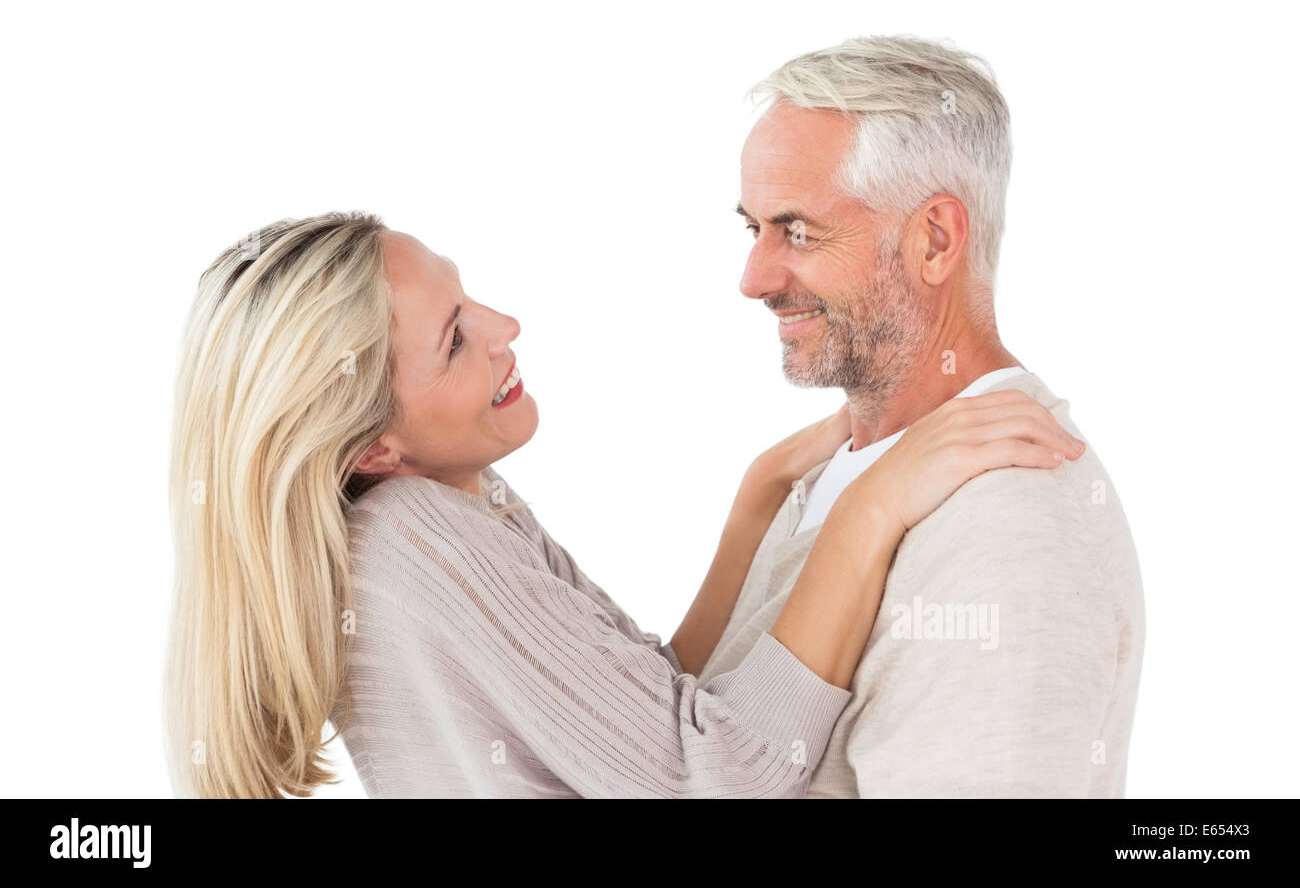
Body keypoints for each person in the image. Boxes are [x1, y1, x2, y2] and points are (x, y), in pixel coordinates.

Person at [163, 212, 1083, 798]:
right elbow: (719, 779)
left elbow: (652, 710)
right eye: (454, 342)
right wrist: (870, 510)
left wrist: (755, 504)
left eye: (467, 299)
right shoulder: (416, 538)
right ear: (372, 448)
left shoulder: (453, 498)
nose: (504, 329)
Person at [702, 35, 1145, 797]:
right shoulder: (827, 470)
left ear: (934, 241)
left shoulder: (1012, 530)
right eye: (754, 228)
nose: (754, 278)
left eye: (797, 231)